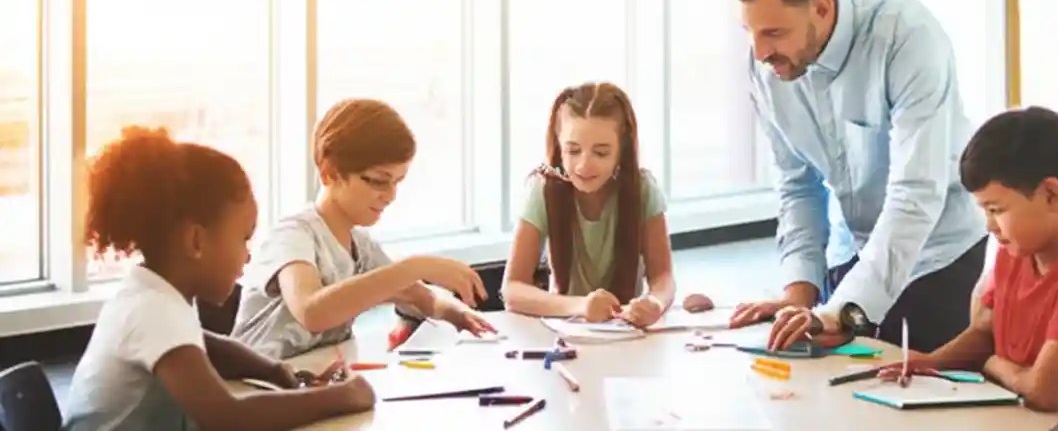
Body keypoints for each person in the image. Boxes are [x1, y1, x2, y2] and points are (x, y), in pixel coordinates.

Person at [725, 0, 989, 353]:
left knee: (919, 401)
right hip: (854, 245)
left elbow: (916, 194)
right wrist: (799, 298)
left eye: (773, 32)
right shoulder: (767, 68)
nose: (759, 53)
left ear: (822, 8)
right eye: (750, 32)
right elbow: (797, 186)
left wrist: (845, 310)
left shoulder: (907, 36)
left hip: (937, 253)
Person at [63, 127, 374, 430]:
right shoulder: (154, 311)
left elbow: (204, 345)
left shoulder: (151, 294)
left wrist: (275, 371)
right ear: (196, 241)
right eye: (243, 238)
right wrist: (339, 396)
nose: (248, 256)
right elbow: (227, 417)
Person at [880, 107, 1058, 428]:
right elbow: (985, 332)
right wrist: (929, 363)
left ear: (1051, 194)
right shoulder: (1016, 250)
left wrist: (994, 365)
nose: (989, 226)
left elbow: (1043, 393)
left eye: (996, 209)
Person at [233, 98, 494, 359]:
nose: (391, 196)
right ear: (329, 173)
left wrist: (461, 315)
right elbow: (311, 312)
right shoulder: (292, 235)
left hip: (310, 383)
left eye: (397, 182)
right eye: (380, 181)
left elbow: (419, 296)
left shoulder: (361, 247)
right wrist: (416, 266)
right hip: (252, 388)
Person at [501, 82, 676, 327]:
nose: (584, 165)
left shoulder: (643, 189)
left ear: (621, 151)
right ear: (559, 145)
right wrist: (581, 305)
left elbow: (663, 276)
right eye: (573, 151)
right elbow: (512, 289)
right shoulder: (542, 190)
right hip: (564, 332)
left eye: (601, 153)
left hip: (627, 334)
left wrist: (655, 303)